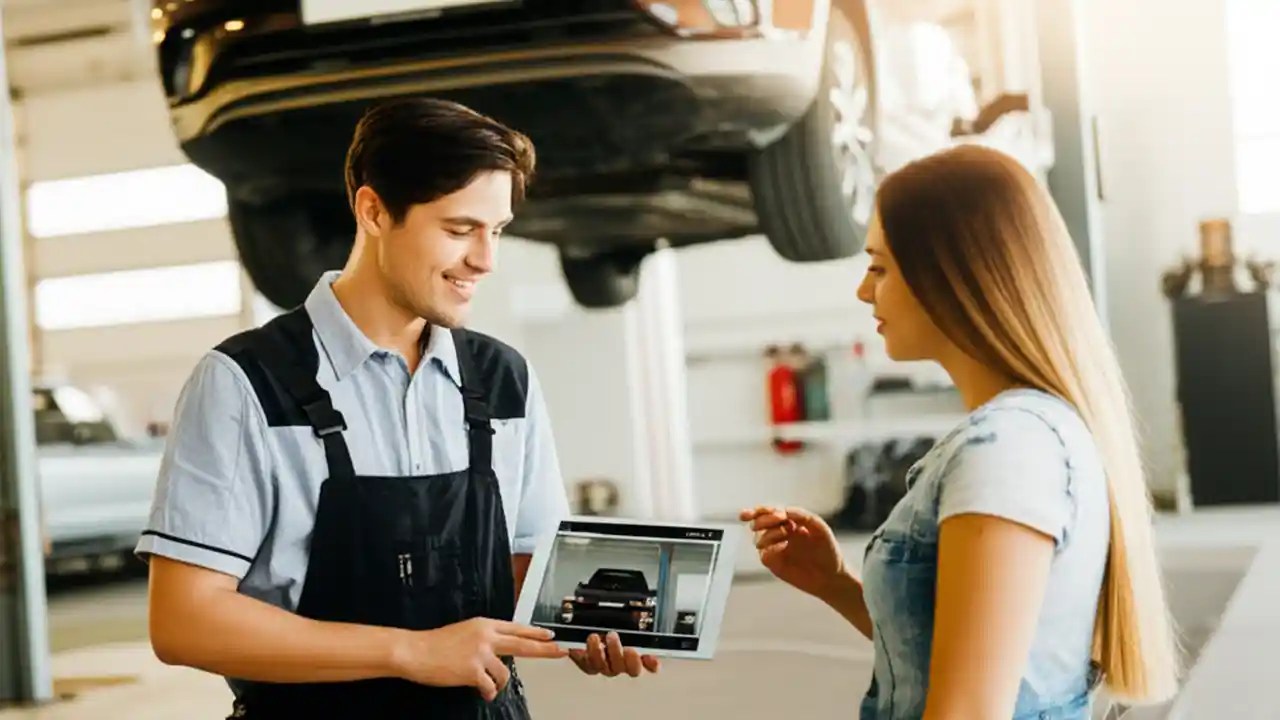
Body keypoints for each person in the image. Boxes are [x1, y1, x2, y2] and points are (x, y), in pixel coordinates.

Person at [136, 98, 658, 720]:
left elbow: (526, 569)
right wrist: (410, 652)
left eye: (497, 230)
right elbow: (185, 621)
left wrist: (586, 625)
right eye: (460, 230)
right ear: (374, 211)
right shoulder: (244, 383)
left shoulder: (503, 380)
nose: (485, 260)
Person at [741, 145, 1180, 719]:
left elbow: (969, 710)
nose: (864, 291)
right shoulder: (1030, 435)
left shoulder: (1005, 450)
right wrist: (835, 583)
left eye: (879, 268)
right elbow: (971, 651)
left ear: (948, 275)